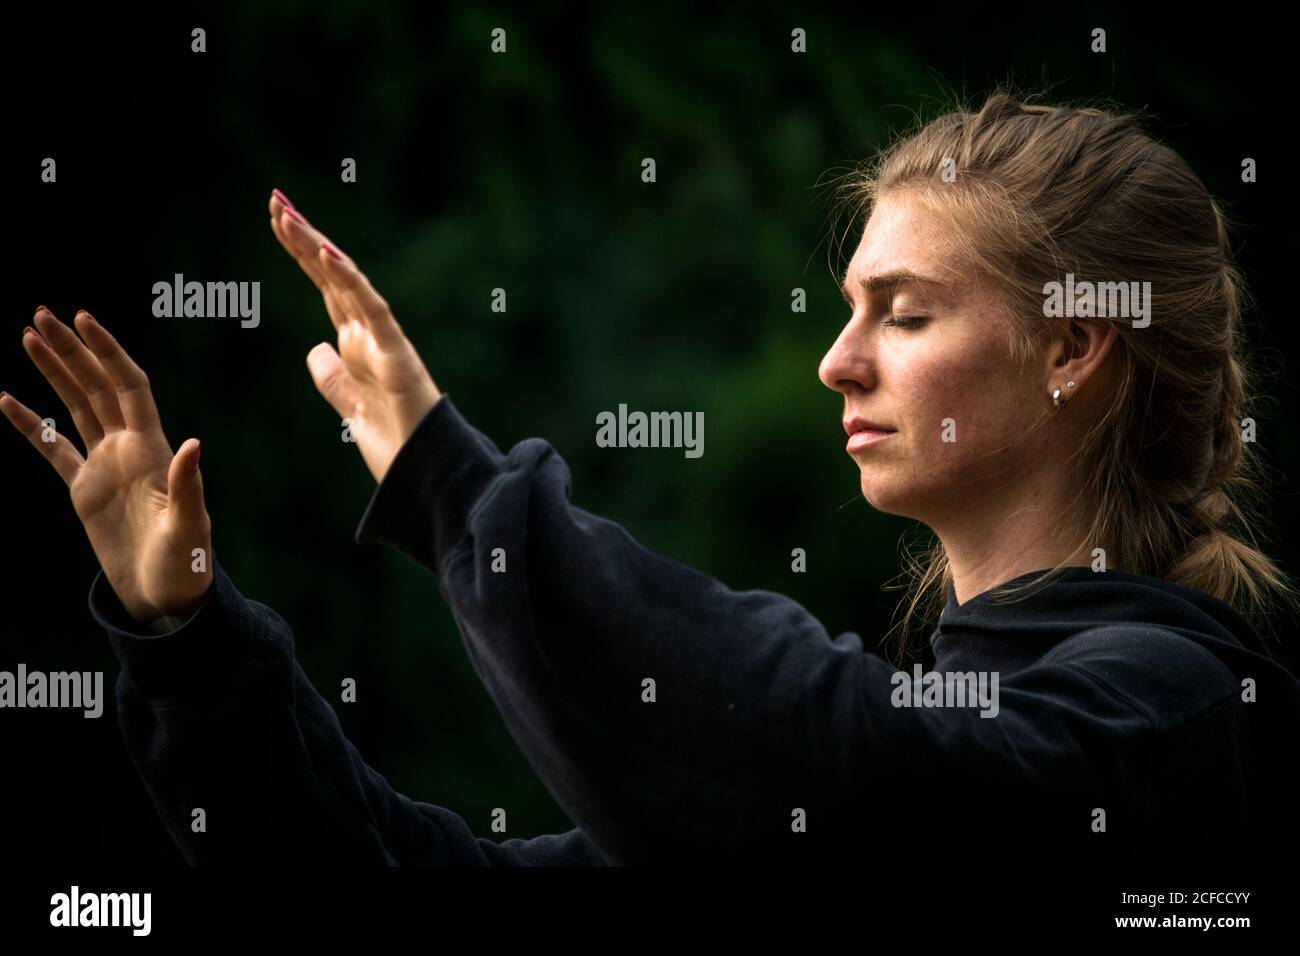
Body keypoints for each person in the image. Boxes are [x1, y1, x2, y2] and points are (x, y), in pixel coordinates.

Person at [3, 92, 1297, 874]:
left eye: (901, 315)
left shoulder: (1174, 721)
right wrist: (185, 642)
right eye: (849, 311)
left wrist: (457, 489)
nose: (836, 362)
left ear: (1074, 345)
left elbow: (859, 790)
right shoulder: (941, 732)